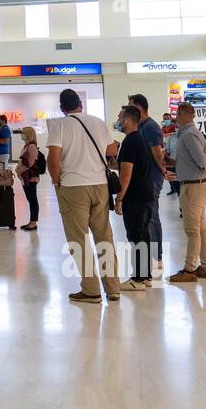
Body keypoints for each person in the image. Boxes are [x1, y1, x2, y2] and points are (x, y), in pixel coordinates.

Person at [46, 88, 120, 304]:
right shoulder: (97, 122)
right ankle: (113, 288)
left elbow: (53, 159)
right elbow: (112, 150)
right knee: (104, 236)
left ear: (62, 108)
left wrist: (57, 180)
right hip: (100, 185)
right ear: (80, 103)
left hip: (73, 186)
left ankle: (91, 289)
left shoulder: (59, 125)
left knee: (79, 239)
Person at [168, 102, 206, 282]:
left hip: (194, 185)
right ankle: (205, 267)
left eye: (178, 114)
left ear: (186, 115)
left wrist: (198, 170)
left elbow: (201, 161)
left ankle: (189, 270)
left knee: (192, 230)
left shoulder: (188, 135)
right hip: (197, 183)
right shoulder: (188, 134)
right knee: (201, 228)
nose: (176, 118)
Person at [113, 105, 155, 290]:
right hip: (146, 194)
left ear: (127, 121)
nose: (118, 121)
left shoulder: (130, 142)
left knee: (136, 236)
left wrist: (119, 198)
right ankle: (145, 276)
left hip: (135, 197)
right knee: (143, 235)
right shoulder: (140, 140)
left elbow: (126, 174)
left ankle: (137, 279)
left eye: (120, 117)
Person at [128, 94, 166, 275]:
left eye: (131, 106)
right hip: (144, 178)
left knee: (152, 217)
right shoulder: (141, 127)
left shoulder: (150, 127)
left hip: (151, 178)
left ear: (140, 108)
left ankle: (157, 256)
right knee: (146, 218)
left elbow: (157, 152)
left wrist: (163, 170)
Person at [16, 125, 44, 229]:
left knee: (32, 200)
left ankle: (33, 222)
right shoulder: (27, 146)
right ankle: (32, 221)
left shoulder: (31, 146)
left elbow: (30, 163)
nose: (21, 135)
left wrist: (19, 170)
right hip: (26, 177)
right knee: (30, 199)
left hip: (31, 177)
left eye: (23, 133)